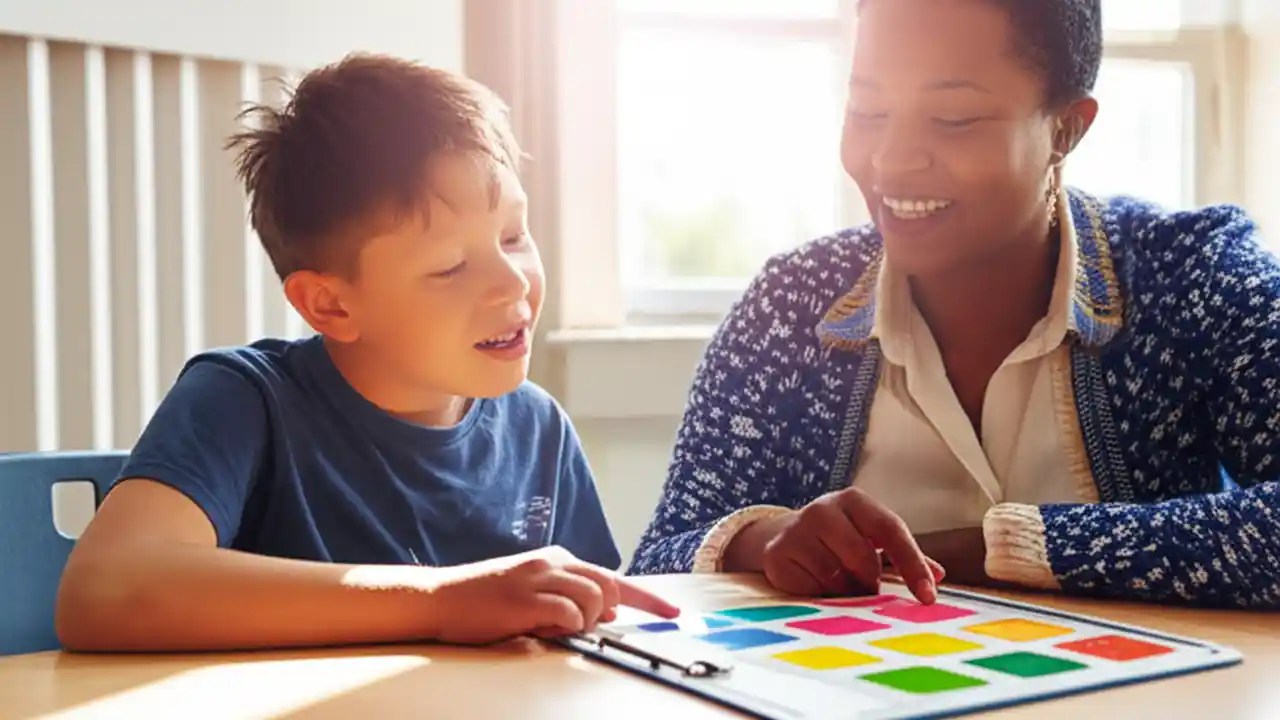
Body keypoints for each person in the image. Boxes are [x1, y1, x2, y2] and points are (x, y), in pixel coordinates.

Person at [629, 0, 1280, 609]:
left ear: (1065, 130)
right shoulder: (789, 308)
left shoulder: (1193, 274)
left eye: (954, 119)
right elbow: (658, 559)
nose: (892, 157)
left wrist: (997, 548)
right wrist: (764, 539)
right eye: (868, 111)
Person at [56, 54, 677, 652]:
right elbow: (104, 591)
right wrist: (442, 602)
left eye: (514, 236)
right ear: (330, 306)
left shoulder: (539, 430)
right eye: (451, 267)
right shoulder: (245, 401)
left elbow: (589, 639)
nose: (512, 281)